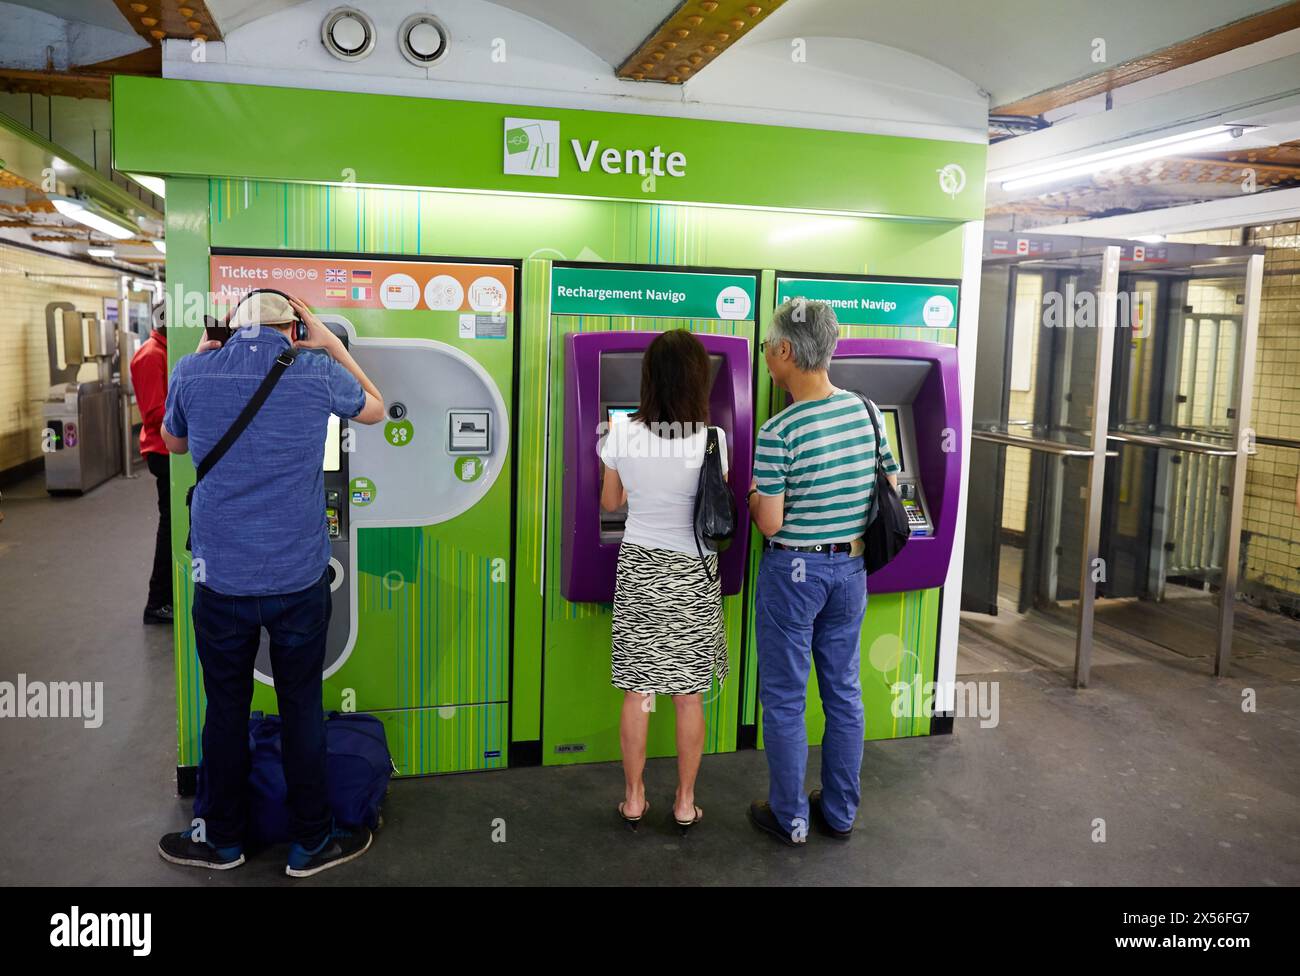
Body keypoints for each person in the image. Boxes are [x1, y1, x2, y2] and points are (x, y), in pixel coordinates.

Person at [156, 291, 385, 877]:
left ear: (230, 328)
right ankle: (312, 842)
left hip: (220, 578)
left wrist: (204, 357)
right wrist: (333, 344)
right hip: (297, 577)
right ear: (295, 327)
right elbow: (377, 409)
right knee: (302, 705)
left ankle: (222, 840)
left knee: (225, 708)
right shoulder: (315, 368)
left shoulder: (191, 368)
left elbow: (176, 444)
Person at [746, 298, 899, 846]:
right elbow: (890, 484)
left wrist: (752, 496)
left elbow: (770, 522)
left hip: (794, 571)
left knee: (786, 698)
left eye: (768, 346)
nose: (766, 355)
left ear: (786, 350)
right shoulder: (868, 411)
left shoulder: (779, 430)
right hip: (850, 569)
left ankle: (790, 818)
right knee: (843, 692)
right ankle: (839, 812)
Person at [599, 329, 729, 832]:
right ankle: (684, 802)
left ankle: (633, 800)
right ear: (699, 379)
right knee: (688, 695)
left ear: (649, 376)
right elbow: (714, 506)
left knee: (638, 692)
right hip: (692, 572)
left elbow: (611, 504)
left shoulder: (622, 434)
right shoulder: (713, 440)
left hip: (640, 570)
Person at [130, 303, 173, 625]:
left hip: (171, 449)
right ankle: (157, 602)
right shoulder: (150, 356)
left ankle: (166, 596)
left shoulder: (166, 351)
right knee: (170, 525)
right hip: (163, 452)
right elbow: (155, 414)